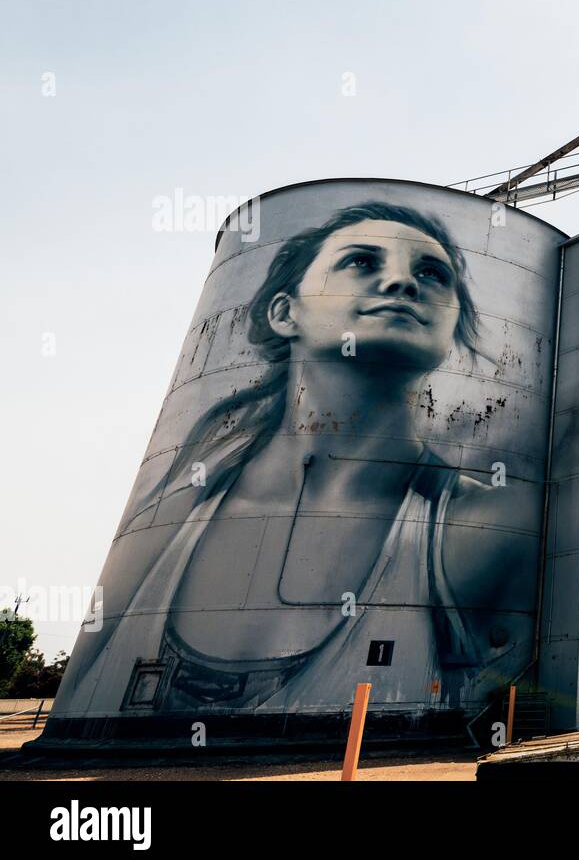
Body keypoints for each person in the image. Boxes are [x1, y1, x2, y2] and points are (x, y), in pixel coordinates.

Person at [57, 202, 534, 717]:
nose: (403, 284)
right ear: (285, 313)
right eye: (361, 262)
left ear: (452, 327)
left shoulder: (492, 523)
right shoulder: (170, 516)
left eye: (431, 273)